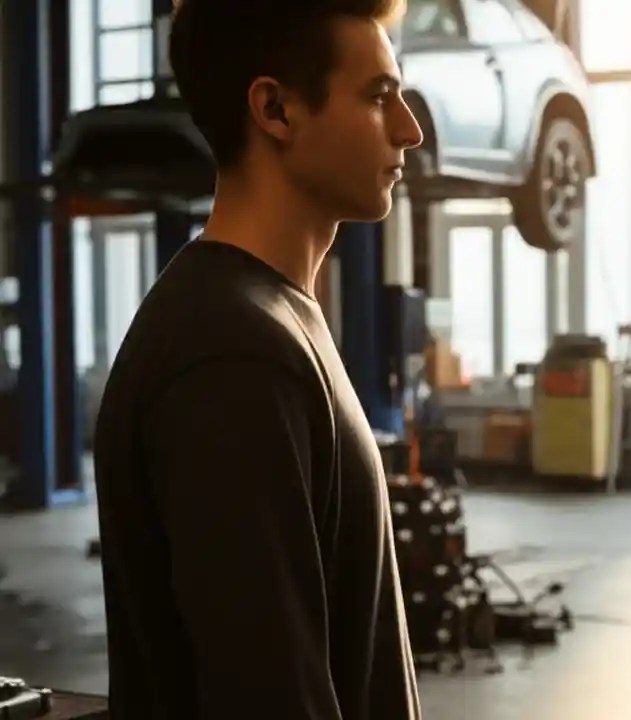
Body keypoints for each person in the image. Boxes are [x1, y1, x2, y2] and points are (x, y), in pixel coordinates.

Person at [92, 1, 424, 717]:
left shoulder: (265, 322)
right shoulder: (231, 359)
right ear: (275, 109)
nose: (410, 129)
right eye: (377, 97)